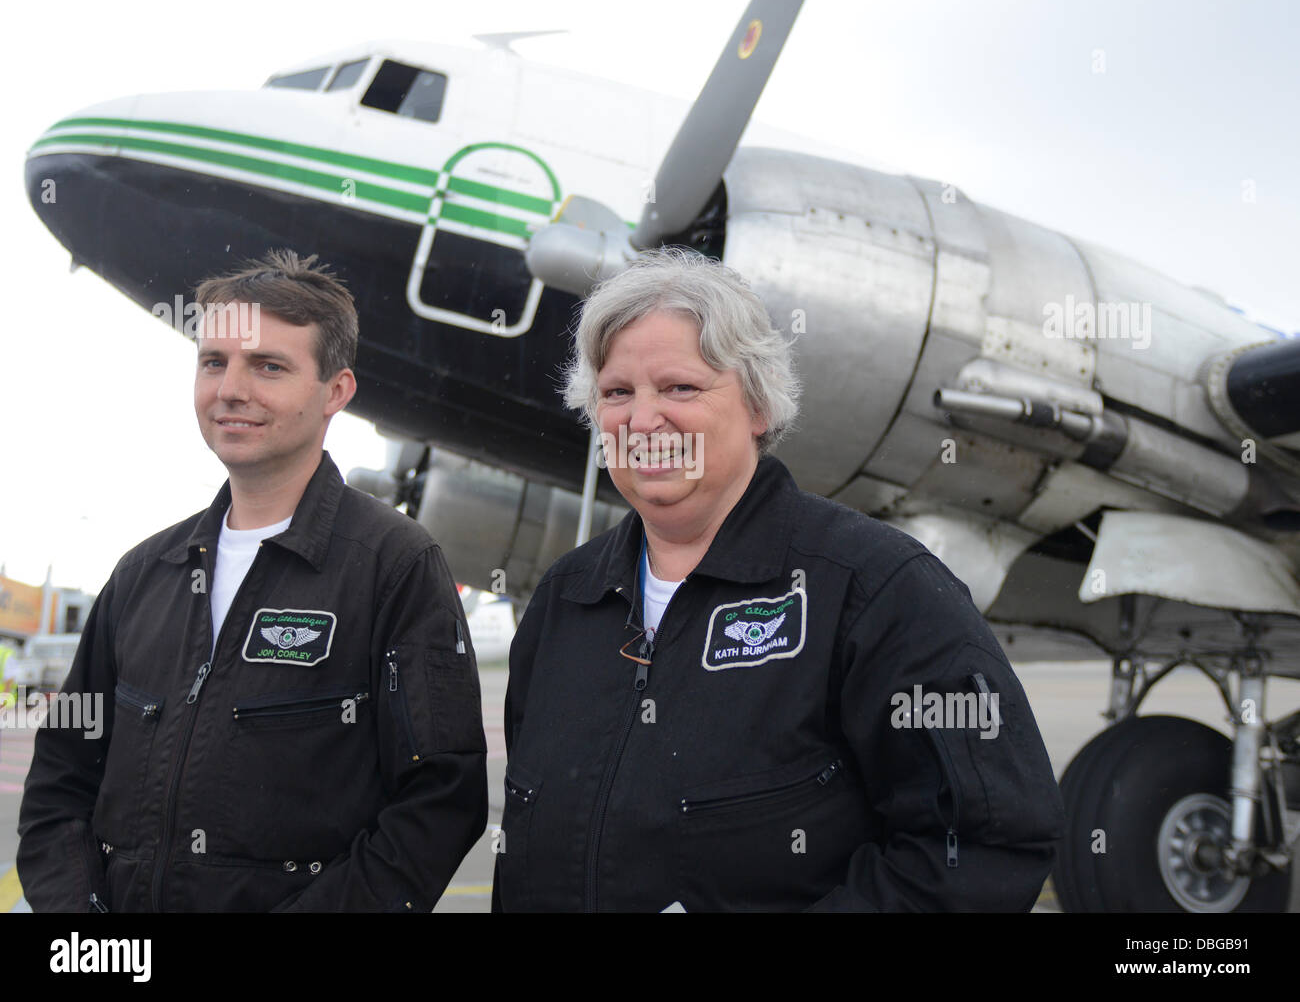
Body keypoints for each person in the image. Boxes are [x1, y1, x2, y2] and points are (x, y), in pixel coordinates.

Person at [493, 248, 1063, 912]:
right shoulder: (565, 600)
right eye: (617, 392)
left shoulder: (878, 589)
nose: (642, 421)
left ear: (758, 406)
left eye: (680, 387)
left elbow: (984, 845)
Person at [18, 250, 487, 911]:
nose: (230, 388)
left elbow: (439, 802)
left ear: (336, 392)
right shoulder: (141, 574)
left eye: (268, 366)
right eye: (214, 362)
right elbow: (59, 781)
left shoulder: (396, 567)